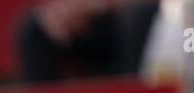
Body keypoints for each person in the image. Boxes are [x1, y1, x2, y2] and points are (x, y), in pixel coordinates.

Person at [17, 0, 161, 83]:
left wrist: (97, 5)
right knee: (35, 26)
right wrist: (59, 11)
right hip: (85, 25)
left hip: (136, 28)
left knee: (139, 15)